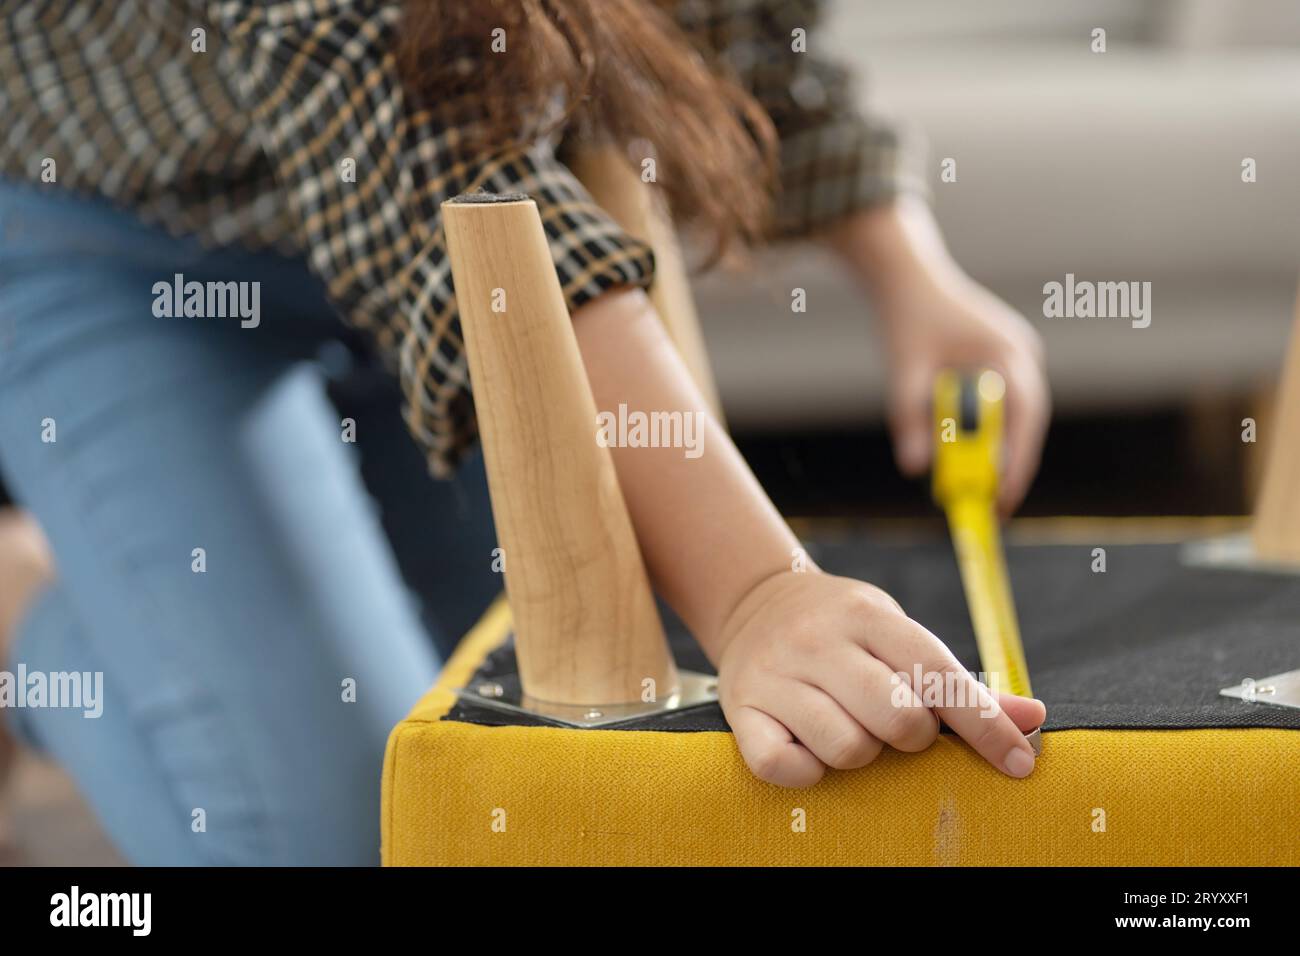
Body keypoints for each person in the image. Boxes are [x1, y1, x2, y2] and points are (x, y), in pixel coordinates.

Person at [0, 0, 1049, 865]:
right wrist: (754, 590)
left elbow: (735, 36)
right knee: (342, 842)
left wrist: (909, 271)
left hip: (421, 233)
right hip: (118, 238)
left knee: (517, 795)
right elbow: (441, 165)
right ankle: (26, 613)